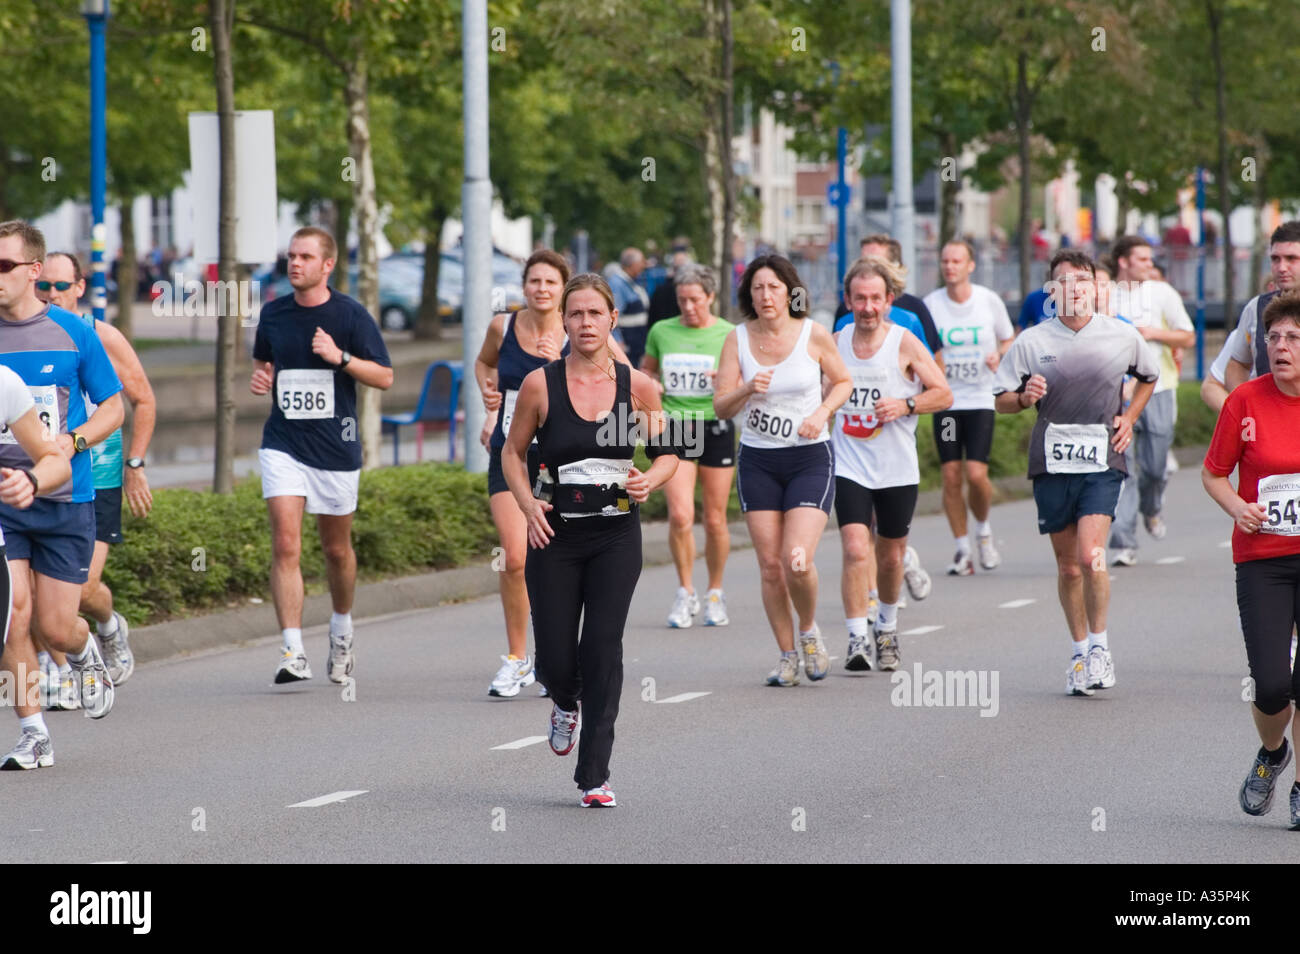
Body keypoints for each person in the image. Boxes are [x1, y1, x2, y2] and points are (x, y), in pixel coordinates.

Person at [503, 273, 677, 808]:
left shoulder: (639, 387)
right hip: (554, 534)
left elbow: (671, 451)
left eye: (594, 314)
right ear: (564, 321)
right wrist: (529, 506)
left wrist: (653, 477)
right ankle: (563, 700)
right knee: (556, 656)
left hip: (615, 536)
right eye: (574, 314)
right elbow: (511, 454)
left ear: (611, 320)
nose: (584, 323)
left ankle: (595, 776)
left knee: (602, 647)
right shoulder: (540, 384)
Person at [993, 250, 1158, 696]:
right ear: (1053, 291)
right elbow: (1000, 399)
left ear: (1094, 287)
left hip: (1102, 462)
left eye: (1082, 280)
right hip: (1051, 463)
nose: (1075, 288)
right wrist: (1024, 397)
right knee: (1068, 568)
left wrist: (1130, 417)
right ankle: (1079, 652)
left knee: (1092, 556)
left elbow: (1149, 376)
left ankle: (1101, 649)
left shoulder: (1120, 336)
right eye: (1064, 282)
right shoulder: (1032, 342)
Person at [0, 220, 124, 769]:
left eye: (4, 266)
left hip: (63, 495)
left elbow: (114, 407)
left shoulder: (75, 332)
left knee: (55, 625)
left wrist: (71, 442)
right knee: (12, 614)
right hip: (4, 499)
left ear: (32, 270)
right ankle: (33, 733)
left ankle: (83, 648)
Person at [250, 227, 393, 685]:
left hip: (336, 447)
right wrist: (263, 381)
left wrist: (340, 357)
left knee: (336, 549)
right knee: (286, 543)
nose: (295, 263)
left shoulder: (350, 315)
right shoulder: (273, 314)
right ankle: (292, 650)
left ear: (327, 265)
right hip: (283, 444)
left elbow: (385, 377)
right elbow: (265, 364)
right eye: (291, 256)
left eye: (306, 257)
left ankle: (341, 627)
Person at [713, 254, 852, 686]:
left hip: (809, 456)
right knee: (771, 566)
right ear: (748, 295)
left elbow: (844, 381)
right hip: (759, 459)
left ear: (790, 291)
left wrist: (823, 412)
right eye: (757, 288)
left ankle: (808, 630)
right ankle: (787, 655)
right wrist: (746, 388)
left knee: (797, 559)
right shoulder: (737, 339)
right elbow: (720, 406)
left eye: (773, 287)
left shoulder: (813, 334)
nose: (766, 295)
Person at [1202, 291, 1300, 829]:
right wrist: (1239, 507)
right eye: (1273, 338)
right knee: (1270, 684)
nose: (1279, 347)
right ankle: (1272, 753)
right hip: (1262, 558)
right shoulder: (1245, 401)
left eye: (1292, 339)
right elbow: (1213, 472)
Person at [36, 252, 155, 691]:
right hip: (39, 474)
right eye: (44, 286)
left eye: (62, 286)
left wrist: (136, 465)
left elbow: (142, 400)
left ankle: (108, 624)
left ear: (80, 288)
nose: (52, 294)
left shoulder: (99, 335)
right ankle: (59, 670)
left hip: (97, 474)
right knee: (36, 583)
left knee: (84, 587)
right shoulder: (21, 338)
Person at [832, 258, 951, 672]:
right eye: (859, 298)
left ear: (889, 301)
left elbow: (943, 393)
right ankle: (855, 638)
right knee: (853, 547)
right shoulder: (835, 342)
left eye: (875, 299)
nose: (867, 307)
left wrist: (906, 404)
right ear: (848, 300)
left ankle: (886, 626)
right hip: (849, 462)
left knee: (890, 558)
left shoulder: (903, 342)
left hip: (896, 466)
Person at [474, 249, 569, 697]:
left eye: (551, 282)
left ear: (563, 288)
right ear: (524, 285)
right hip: (510, 453)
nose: (542, 290)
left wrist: (562, 363)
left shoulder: (580, 331)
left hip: (564, 460)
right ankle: (517, 659)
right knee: (514, 556)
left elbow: (619, 378)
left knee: (558, 562)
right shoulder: (504, 326)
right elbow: (484, 363)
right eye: (534, 281)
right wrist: (489, 400)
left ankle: (557, 656)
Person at [642, 263, 735, 628]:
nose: (688, 307)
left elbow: (741, 380)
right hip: (676, 426)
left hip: (715, 425)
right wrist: (652, 384)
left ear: (710, 297)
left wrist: (725, 380)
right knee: (681, 515)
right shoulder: (662, 331)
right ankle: (685, 591)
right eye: (682, 300)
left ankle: (715, 591)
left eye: (695, 300)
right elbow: (645, 371)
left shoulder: (729, 333)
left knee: (714, 518)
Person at [923, 238, 1015, 575]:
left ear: (970, 265)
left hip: (979, 399)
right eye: (945, 261)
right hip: (947, 402)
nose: (950, 266)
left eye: (956, 261)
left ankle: (984, 532)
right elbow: (919, 347)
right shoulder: (930, 305)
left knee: (976, 475)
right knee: (950, 475)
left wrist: (999, 354)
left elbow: (1009, 337)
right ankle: (962, 550)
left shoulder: (987, 301)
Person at [0, 362, 74, 769]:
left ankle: (34, 732)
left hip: (28, 525)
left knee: (17, 623)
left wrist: (30, 481)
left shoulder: (4, 383)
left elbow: (54, 459)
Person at [1107, 236, 1194, 561]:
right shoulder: (1107, 295)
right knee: (1124, 467)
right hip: (1119, 395)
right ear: (1124, 262)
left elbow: (1187, 335)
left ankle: (1151, 507)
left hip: (1158, 389)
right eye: (1142, 259)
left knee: (1156, 468)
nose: (1150, 264)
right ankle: (1123, 542)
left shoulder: (1162, 293)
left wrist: (1154, 333)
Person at [1202, 221, 1300, 414]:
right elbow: (1237, 363)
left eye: (1291, 258)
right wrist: (1247, 410)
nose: (1281, 267)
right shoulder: (1257, 308)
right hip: (1269, 425)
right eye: (1275, 259)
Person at [832, 235, 943, 364]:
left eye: (876, 263)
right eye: (863, 262)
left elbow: (935, 362)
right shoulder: (844, 315)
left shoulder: (913, 311)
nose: (867, 269)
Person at [603, 248, 650, 366]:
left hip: (635, 343)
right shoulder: (617, 284)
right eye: (641, 263)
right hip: (627, 344)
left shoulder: (630, 281)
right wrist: (617, 341)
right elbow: (611, 316)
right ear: (633, 264)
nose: (643, 266)